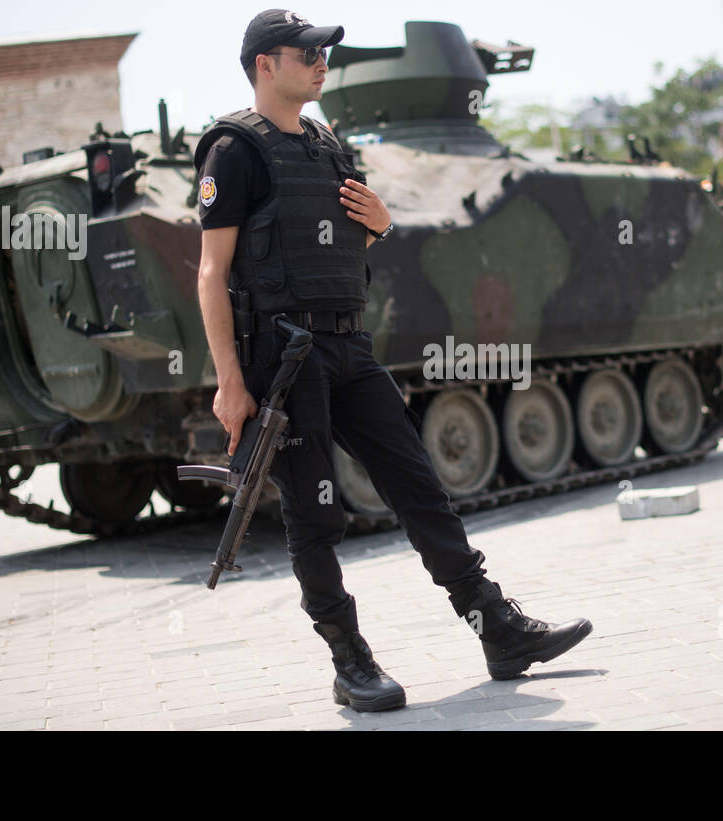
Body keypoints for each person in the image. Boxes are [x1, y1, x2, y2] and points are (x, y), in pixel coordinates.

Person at [193, 8, 591, 712]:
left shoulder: (327, 145)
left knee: (419, 489)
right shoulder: (234, 150)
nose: (321, 62)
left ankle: (495, 627)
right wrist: (229, 379)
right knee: (315, 516)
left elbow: (337, 250)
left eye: (323, 52)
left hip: (346, 346)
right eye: (306, 52)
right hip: (282, 362)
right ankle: (351, 662)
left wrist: (379, 227)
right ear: (265, 65)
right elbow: (210, 271)